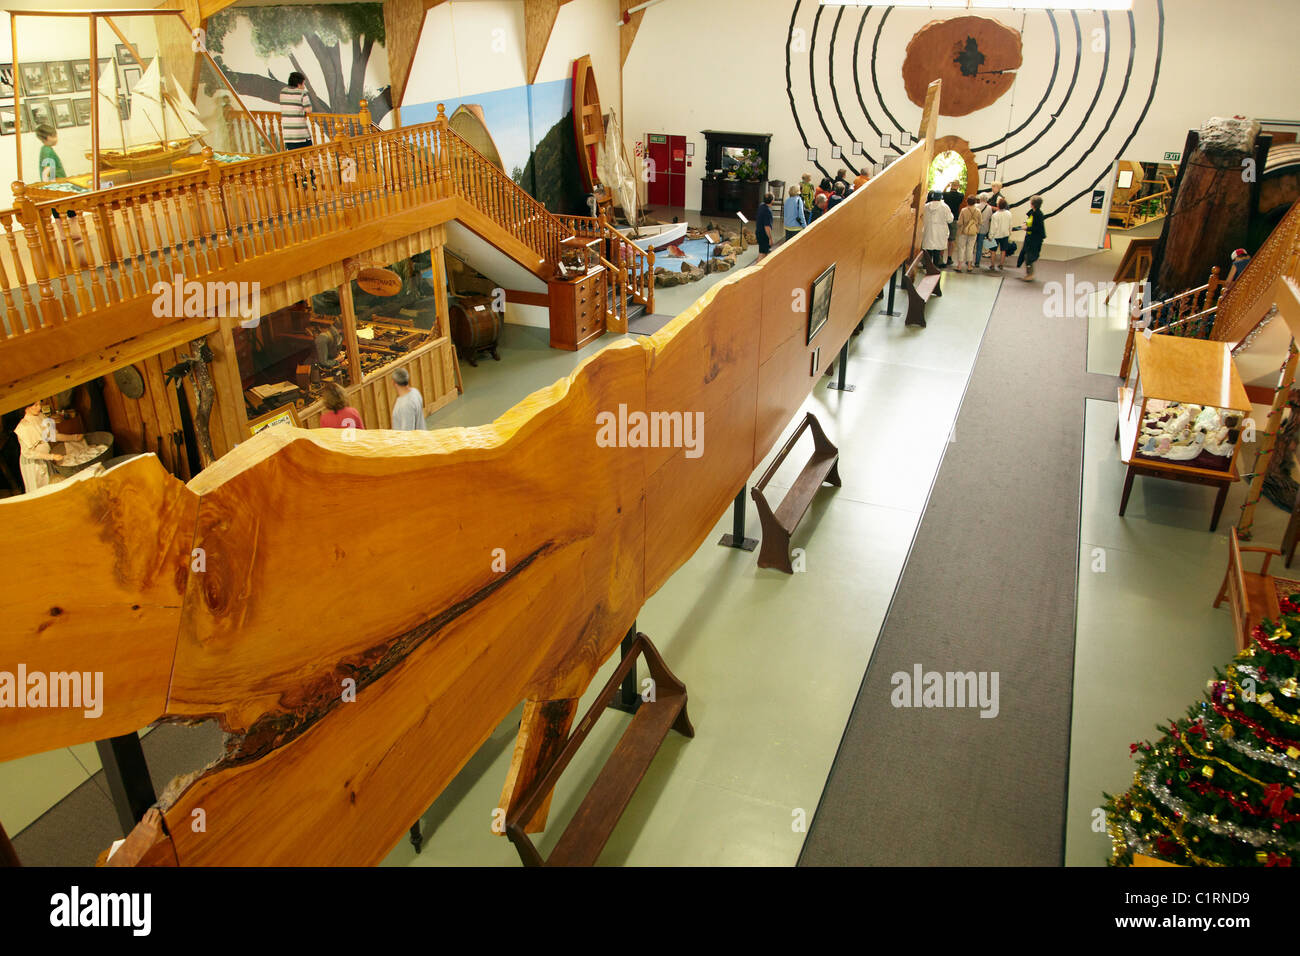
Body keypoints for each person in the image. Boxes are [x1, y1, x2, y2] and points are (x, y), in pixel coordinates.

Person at [14, 400, 80, 494]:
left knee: (51, 485)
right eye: (35, 405)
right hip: (34, 463)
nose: (39, 407)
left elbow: (54, 435)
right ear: (26, 407)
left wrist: (74, 438)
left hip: (45, 457)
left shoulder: (41, 417)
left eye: (39, 404)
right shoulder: (23, 427)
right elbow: (29, 453)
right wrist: (52, 457)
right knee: (40, 489)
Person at [1013, 195, 1047, 280]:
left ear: (1033, 204)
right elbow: (1030, 221)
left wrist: (1026, 228)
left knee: (1029, 256)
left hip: (1035, 239)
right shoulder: (1033, 212)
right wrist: (1025, 224)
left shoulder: (1038, 214)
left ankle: (1030, 275)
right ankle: (1029, 274)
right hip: (1030, 237)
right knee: (1026, 255)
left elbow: (1037, 228)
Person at [279, 72, 313, 150]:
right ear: (299, 84)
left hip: (288, 134)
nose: (304, 87)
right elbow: (309, 110)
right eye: (303, 84)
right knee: (310, 156)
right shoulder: (302, 93)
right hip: (301, 134)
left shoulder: (283, 92)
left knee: (294, 159)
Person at [921, 190, 953, 271]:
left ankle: (928, 267)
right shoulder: (945, 207)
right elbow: (950, 220)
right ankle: (935, 267)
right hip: (940, 232)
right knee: (937, 251)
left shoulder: (926, 206)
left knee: (928, 250)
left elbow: (922, 217)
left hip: (928, 231)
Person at [955, 195, 981, 273]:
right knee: (970, 248)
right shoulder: (978, 211)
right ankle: (969, 266)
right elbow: (980, 222)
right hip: (973, 232)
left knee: (961, 248)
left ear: (967, 202)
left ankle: (959, 266)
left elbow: (960, 222)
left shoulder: (963, 210)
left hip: (963, 231)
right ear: (975, 202)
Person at [942, 180, 965, 266]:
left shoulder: (946, 195)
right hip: (954, 218)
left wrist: (946, 187)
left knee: (943, 238)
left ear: (951, 186)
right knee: (951, 240)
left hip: (945, 218)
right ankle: (949, 257)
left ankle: (940, 257)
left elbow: (942, 194)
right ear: (958, 186)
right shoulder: (960, 196)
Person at [988, 196, 1013, 272]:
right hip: (1005, 234)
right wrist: (1010, 232)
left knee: (993, 251)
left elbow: (993, 227)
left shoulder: (995, 215)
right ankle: (1001, 264)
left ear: (998, 205)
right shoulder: (1009, 213)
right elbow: (1010, 224)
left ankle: (992, 265)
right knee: (1003, 250)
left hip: (996, 235)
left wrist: (990, 236)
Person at [754, 193, 775, 261]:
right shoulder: (768, 211)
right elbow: (767, 227)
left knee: (763, 252)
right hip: (764, 235)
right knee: (762, 255)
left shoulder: (761, 206)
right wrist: (770, 238)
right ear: (772, 201)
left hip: (758, 232)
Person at [975, 193, 993, 267]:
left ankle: (968, 261)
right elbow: (990, 217)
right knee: (980, 246)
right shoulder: (989, 208)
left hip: (975, 228)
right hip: (984, 228)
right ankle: (977, 262)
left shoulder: (976, 206)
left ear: (980, 198)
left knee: (971, 246)